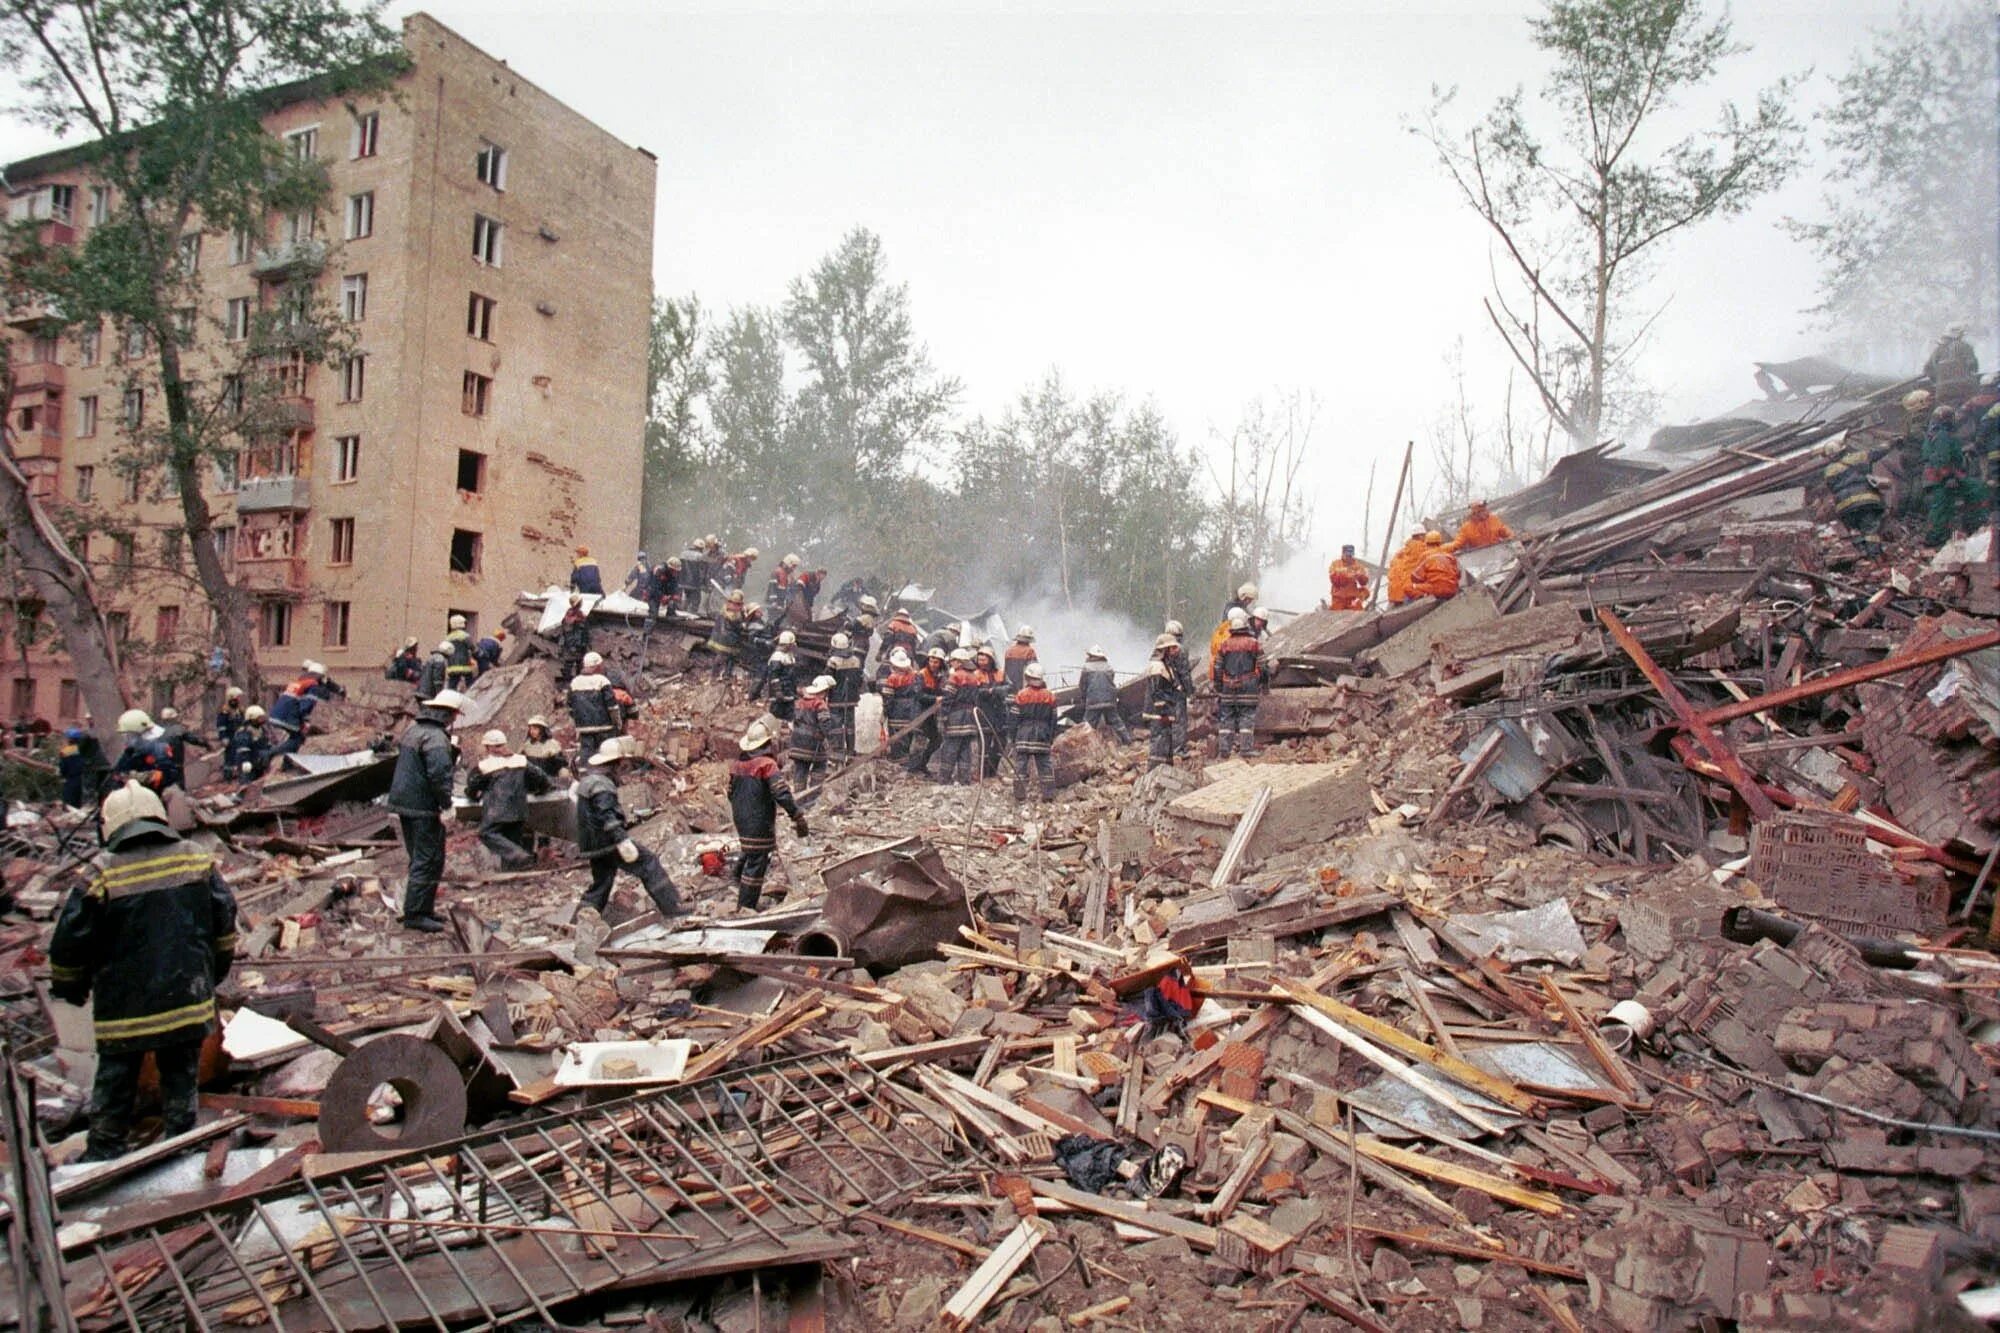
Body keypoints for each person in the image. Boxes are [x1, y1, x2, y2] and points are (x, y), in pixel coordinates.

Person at [49, 780, 236, 1162]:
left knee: (115, 1086)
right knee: (181, 1086)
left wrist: (71, 988)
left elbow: (70, 942)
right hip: (187, 1002)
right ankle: (182, 1152)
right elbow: (224, 925)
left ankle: (102, 1156)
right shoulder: (196, 858)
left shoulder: (102, 872)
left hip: (124, 1012)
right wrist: (211, 974)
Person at [576, 737, 682, 921]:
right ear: (616, 764)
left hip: (592, 844)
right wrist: (621, 840)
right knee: (648, 863)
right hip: (608, 841)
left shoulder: (589, 780)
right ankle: (673, 907)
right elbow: (606, 816)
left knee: (602, 883)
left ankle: (579, 922)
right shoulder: (602, 785)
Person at [389, 689, 464, 933]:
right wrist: (446, 805)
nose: (454, 721)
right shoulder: (436, 738)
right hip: (423, 806)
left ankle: (422, 908)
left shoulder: (413, 730)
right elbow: (439, 775)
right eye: (453, 716)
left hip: (405, 803)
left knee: (420, 857)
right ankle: (415, 914)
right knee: (428, 859)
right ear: (447, 714)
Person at [728, 719, 808, 912]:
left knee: (749, 850)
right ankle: (745, 906)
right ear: (767, 743)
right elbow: (781, 792)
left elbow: (730, 793)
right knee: (757, 861)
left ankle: (735, 878)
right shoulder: (767, 764)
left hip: (741, 817)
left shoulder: (737, 765)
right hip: (759, 819)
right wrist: (796, 815)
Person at [465, 730, 553, 871]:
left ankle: (519, 856)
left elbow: (472, 786)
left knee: (486, 833)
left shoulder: (485, 766)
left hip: (497, 811)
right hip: (520, 810)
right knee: (511, 842)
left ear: (489, 747)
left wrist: (472, 797)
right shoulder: (521, 760)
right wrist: (541, 791)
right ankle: (513, 875)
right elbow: (542, 778)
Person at [1821, 436, 1893, 557]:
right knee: (1870, 531)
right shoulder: (1857, 457)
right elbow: (1876, 452)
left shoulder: (1828, 470)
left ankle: (1860, 556)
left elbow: (1831, 487)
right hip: (1865, 501)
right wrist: (1890, 443)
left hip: (1844, 507)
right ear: (1843, 450)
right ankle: (1874, 557)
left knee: (1855, 532)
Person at [1212, 608, 1266, 759]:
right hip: (1248, 685)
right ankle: (1246, 749)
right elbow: (1263, 666)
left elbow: (1217, 667)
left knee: (1226, 717)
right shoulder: (1254, 643)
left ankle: (1224, 749)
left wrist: (1218, 685)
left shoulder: (1224, 644)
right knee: (1247, 716)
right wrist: (1263, 683)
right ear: (1245, 628)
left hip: (1228, 685)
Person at [1922, 405, 1980, 544]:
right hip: (1941, 478)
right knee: (1941, 507)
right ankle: (1934, 537)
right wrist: (1949, 477)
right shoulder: (1942, 434)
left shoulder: (1934, 433)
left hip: (1935, 477)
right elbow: (1942, 458)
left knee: (1943, 507)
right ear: (1946, 419)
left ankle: (1940, 536)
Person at [1008, 663, 1058, 804]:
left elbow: (1014, 719)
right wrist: (1051, 736)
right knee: (1045, 766)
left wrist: (1012, 737)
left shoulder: (1021, 695)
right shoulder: (1050, 696)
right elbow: (1053, 720)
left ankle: (1019, 796)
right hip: (1042, 735)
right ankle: (1048, 795)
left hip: (1024, 734)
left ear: (1028, 677)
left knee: (1021, 765)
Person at [269, 661, 340, 758]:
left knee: (294, 737)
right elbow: (305, 706)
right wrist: (305, 722)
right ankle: (271, 754)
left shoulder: (301, 682)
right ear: (319, 676)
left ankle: (285, 759)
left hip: (277, 714)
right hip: (287, 717)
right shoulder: (313, 686)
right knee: (298, 739)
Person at [935, 648, 983, 785]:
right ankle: (964, 779)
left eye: (953, 661)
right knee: (965, 749)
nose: (951, 664)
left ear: (959, 662)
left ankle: (944, 778)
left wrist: (943, 717)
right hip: (970, 717)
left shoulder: (955, 676)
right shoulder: (974, 677)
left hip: (956, 716)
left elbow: (948, 698)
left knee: (950, 747)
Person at [789, 675, 838, 795]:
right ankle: (813, 797)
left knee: (800, 771)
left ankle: (798, 797)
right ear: (823, 692)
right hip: (813, 744)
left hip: (797, 744)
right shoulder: (819, 704)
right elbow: (825, 725)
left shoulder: (798, 703)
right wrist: (832, 741)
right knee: (819, 767)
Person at [568, 651, 621, 759]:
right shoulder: (603, 681)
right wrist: (617, 723)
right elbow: (612, 706)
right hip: (604, 728)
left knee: (587, 757)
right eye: (601, 665)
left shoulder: (574, 682)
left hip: (584, 729)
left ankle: (585, 774)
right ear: (597, 666)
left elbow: (570, 706)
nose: (603, 668)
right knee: (607, 756)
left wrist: (579, 722)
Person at [905, 647, 949, 775]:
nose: (933, 664)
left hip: (930, 714)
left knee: (936, 739)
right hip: (919, 713)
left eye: (936, 662)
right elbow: (919, 695)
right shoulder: (921, 674)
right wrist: (936, 699)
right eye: (931, 661)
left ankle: (922, 765)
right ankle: (913, 769)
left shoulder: (939, 677)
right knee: (919, 741)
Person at [110, 709, 174, 792]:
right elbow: (117, 774)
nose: (126, 740)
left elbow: (167, 777)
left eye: (128, 736)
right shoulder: (130, 752)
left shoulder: (159, 750)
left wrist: (137, 777)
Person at [1079, 646, 1133, 742]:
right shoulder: (1109, 667)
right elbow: (1110, 682)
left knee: (1088, 723)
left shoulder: (1086, 668)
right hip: (1110, 700)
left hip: (1093, 701)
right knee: (1116, 722)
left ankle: (1082, 742)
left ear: (1091, 656)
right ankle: (1127, 740)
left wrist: (1084, 699)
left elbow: (1083, 685)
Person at [1143, 652, 1185, 772]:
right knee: (1159, 741)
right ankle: (1154, 773)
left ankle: (1165, 771)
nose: (1175, 651)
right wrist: (1164, 712)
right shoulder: (1158, 667)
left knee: (1165, 741)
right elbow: (1158, 693)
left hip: (1163, 712)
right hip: (1159, 713)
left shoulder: (1165, 665)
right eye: (1172, 648)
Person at [701, 590, 756, 679]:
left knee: (730, 657)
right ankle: (715, 675)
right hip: (726, 639)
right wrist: (744, 624)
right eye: (734, 603)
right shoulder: (730, 615)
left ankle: (726, 674)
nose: (735, 606)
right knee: (722, 657)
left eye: (737, 604)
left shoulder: (728, 611)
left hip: (727, 638)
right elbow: (737, 626)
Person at [825, 633, 864, 754]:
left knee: (836, 725)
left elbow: (827, 680)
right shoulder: (856, 660)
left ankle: (838, 750)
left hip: (836, 699)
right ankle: (851, 749)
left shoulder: (833, 661)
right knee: (850, 725)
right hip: (851, 699)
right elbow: (860, 680)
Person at [881, 649, 923, 759]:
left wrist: (885, 712)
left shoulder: (892, 678)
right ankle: (906, 758)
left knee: (896, 738)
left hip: (897, 710)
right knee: (908, 735)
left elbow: (888, 698)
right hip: (912, 710)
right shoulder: (915, 676)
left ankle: (898, 760)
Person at [972, 643, 1007, 776]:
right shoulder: (975, 674)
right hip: (984, 712)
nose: (981, 662)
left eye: (984, 659)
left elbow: (1009, 687)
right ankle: (983, 773)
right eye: (979, 659)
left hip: (1000, 713)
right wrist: (985, 692)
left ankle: (993, 771)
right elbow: (973, 692)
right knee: (984, 744)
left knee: (1000, 743)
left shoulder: (1000, 673)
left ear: (991, 660)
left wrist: (997, 690)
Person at [58, 726, 110, 808]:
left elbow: (63, 768)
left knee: (69, 805)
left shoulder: (66, 751)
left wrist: (62, 775)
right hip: (85, 777)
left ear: (69, 739)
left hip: (71, 780)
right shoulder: (87, 749)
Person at [753, 629, 801, 720]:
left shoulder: (789, 655)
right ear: (788, 644)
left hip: (788, 691)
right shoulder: (777, 657)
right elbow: (774, 676)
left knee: (789, 715)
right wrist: (778, 691)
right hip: (779, 694)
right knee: (776, 715)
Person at [154, 708, 208, 787]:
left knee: (161, 786)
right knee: (179, 786)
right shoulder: (179, 729)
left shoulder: (156, 730)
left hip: (160, 764)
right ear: (173, 718)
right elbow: (193, 739)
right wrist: (206, 744)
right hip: (176, 763)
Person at [1924, 325, 1980, 402]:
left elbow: (1927, 369)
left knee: (1945, 412)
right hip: (1965, 389)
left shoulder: (1938, 350)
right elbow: (1973, 366)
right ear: (1959, 334)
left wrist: (1940, 381)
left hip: (1943, 392)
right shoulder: (1965, 346)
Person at [223, 706, 271, 784]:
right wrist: (245, 763)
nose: (261, 720)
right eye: (259, 718)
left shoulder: (262, 730)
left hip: (259, 763)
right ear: (252, 718)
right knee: (247, 784)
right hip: (248, 764)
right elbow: (243, 750)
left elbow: (267, 744)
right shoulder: (244, 732)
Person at [1409, 533, 1462, 600]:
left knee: (1408, 588)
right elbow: (1459, 574)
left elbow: (1415, 577)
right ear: (1440, 542)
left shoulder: (1425, 555)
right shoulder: (1449, 555)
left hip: (1436, 590)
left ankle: (1424, 599)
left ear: (1427, 543)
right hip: (1452, 589)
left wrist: (1426, 581)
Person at [1447, 500, 1515, 553]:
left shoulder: (1493, 519)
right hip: (1480, 559)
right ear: (1475, 513)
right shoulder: (1466, 528)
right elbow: (1457, 544)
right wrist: (1440, 549)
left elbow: (1505, 531)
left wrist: (1512, 537)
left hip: (1498, 553)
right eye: (1481, 511)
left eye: (1484, 509)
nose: (1485, 512)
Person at [1386, 528, 1428, 605]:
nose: (1425, 538)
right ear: (1420, 536)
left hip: (1396, 596)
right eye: (1424, 535)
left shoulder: (1402, 554)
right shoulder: (1420, 547)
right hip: (1411, 591)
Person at [557, 593, 592, 683]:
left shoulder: (580, 615)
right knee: (569, 665)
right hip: (573, 647)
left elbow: (584, 631)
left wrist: (587, 643)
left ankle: (578, 682)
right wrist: (573, 647)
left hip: (580, 646)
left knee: (580, 666)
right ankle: (567, 684)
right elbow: (569, 634)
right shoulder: (571, 618)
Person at [522, 715, 568, 781]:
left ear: (542, 729)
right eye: (530, 729)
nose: (532, 731)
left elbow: (562, 764)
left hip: (550, 776)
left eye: (535, 729)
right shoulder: (527, 745)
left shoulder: (553, 744)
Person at [1326, 544, 1368, 611]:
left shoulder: (1358, 565)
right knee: (1336, 617)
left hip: (1352, 598)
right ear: (1342, 554)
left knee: (1357, 614)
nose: (1349, 557)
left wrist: (1360, 576)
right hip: (1338, 598)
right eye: (1347, 555)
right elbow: (1334, 581)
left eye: (1351, 555)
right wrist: (1346, 576)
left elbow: (1364, 582)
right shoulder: (1335, 564)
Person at [444, 615, 476, 689]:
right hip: (464, 666)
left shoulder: (448, 637)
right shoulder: (464, 635)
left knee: (452, 685)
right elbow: (472, 647)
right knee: (470, 684)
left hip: (452, 667)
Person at [1003, 626, 1038, 690]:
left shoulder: (1009, 651)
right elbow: (1034, 670)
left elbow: (1006, 670)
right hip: (1024, 687)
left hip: (1009, 686)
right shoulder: (1030, 651)